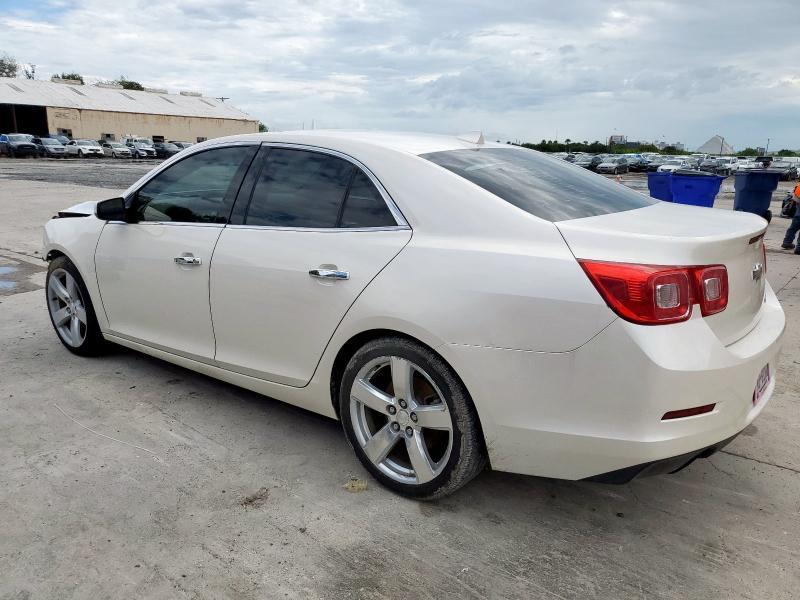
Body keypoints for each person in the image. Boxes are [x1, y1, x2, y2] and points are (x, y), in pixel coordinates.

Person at [781, 180, 800, 254]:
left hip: (798, 214)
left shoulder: (798, 185)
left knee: (793, 228)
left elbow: (795, 198)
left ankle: (787, 242)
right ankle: (799, 248)